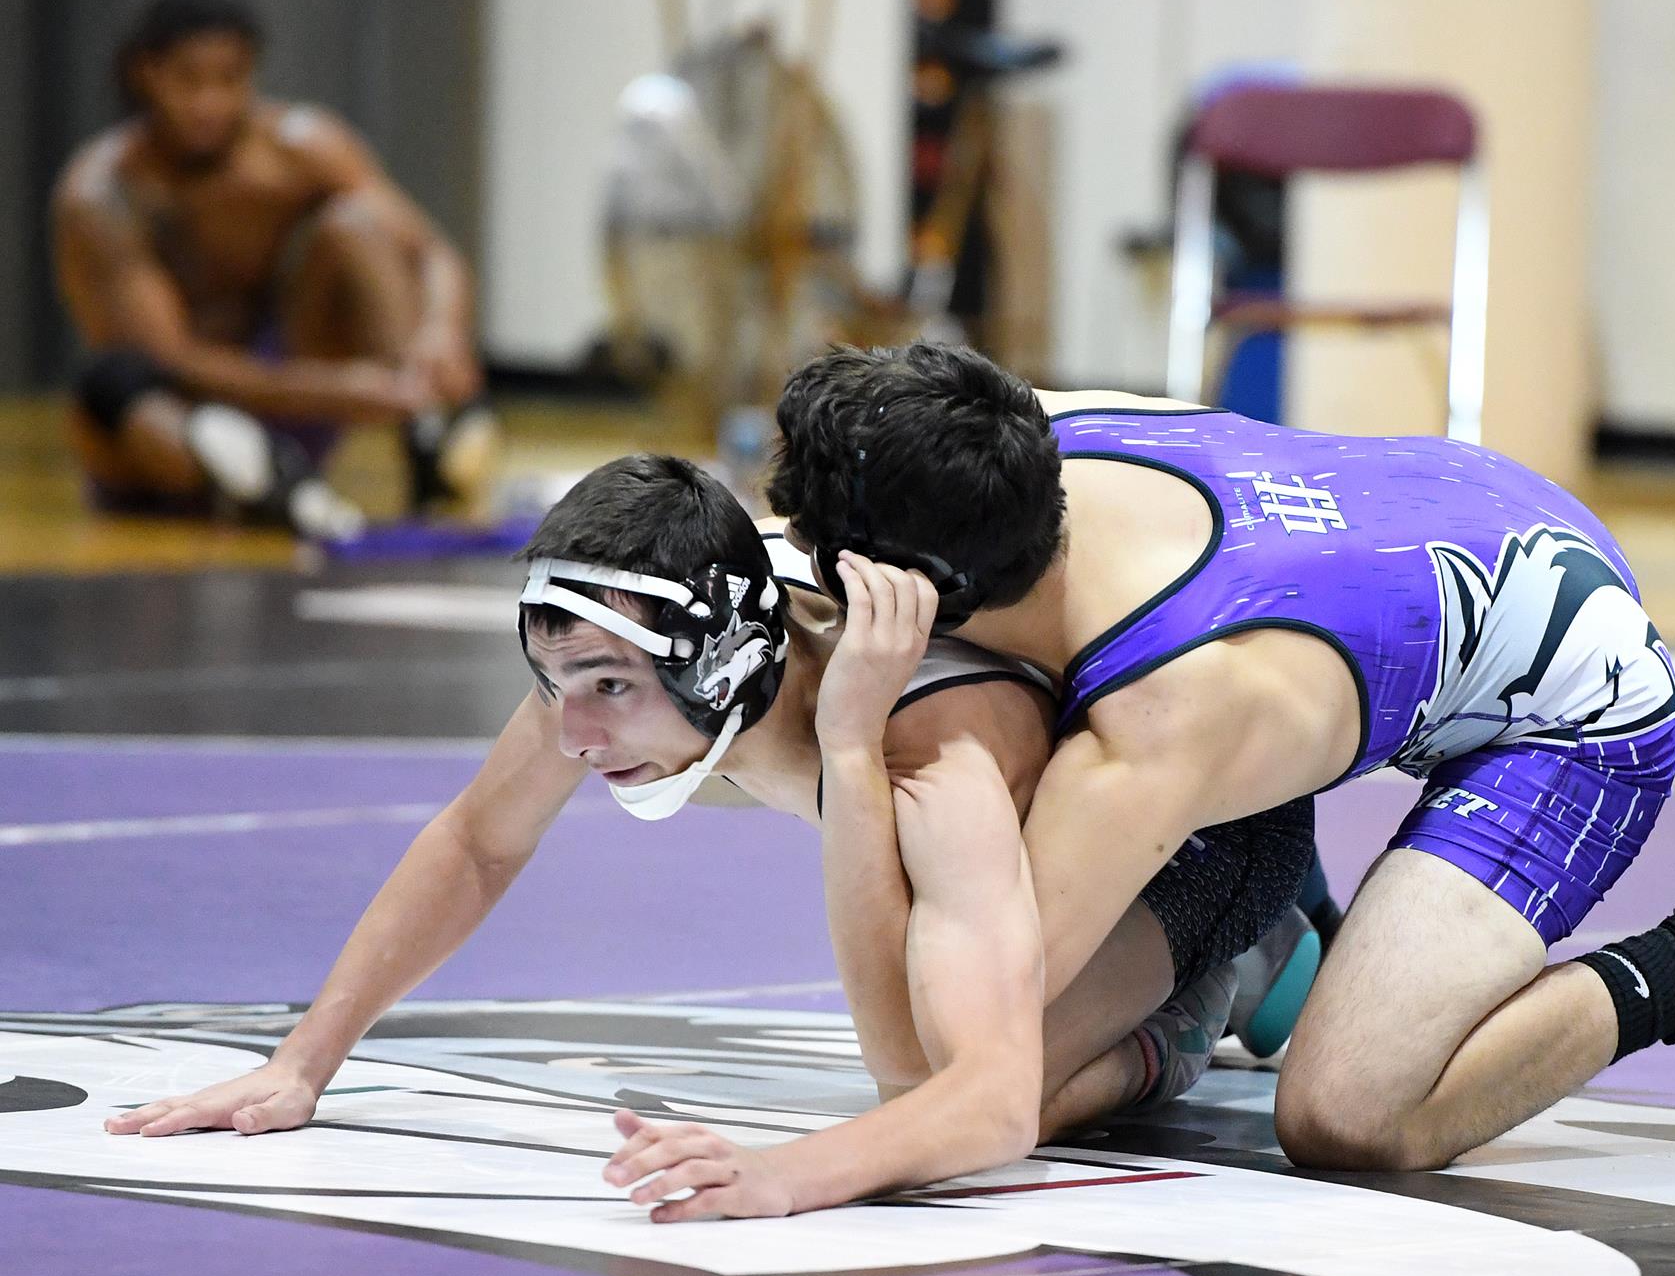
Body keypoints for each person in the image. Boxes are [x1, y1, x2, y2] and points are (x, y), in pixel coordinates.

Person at [764, 340, 1675, 1179]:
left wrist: (850, 744)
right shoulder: (1022, 435)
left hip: (1570, 709)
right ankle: (1273, 909)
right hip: (1454, 506)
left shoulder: (1154, 724)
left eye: (821, 558)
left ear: (919, 585)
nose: (801, 572)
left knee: (1349, 1115)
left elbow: (931, 1059)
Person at [105, 454, 1326, 1219]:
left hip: (1193, 845)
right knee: (928, 1070)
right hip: (1001, 865)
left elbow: (969, 1100)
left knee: (963, 1088)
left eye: (604, 690)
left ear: (729, 655)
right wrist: (304, 1062)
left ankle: (1222, 981)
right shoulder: (640, 648)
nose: (573, 735)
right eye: (553, 684)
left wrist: (787, 1173)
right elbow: (479, 842)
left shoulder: (930, 733)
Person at [50, 0, 492, 539]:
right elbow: (174, 358)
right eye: (190, 81)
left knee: (355, 227)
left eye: (229, 79)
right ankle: (257, 471)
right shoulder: (104, 195)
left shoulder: (301, 148)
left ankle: (427, 432)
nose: (210, 103)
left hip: (303, 391)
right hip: (176, 435)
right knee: (110, 384)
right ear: (147, 74)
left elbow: (429, 252)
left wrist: (438, 334)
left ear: (253, 73)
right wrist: (342, 390)